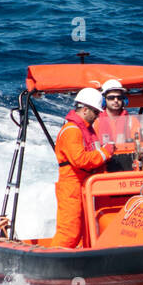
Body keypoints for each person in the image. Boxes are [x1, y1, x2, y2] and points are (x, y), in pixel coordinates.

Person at [49, 88, 114, 248]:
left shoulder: (85, 130)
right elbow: (80, 159)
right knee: (69, 233)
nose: (98, 115)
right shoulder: (72, 131)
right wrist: (106, 152)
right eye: (95, 112)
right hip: (72, 186)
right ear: (85, 110)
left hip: (85, 185)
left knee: (85, 231)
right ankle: (51, 264)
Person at [93, 79, 141, 149]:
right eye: (111, 98)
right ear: (104, 100)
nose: (116, 100)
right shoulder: (96, 121)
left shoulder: (132, 121)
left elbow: (138, 145)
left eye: (119, 97)